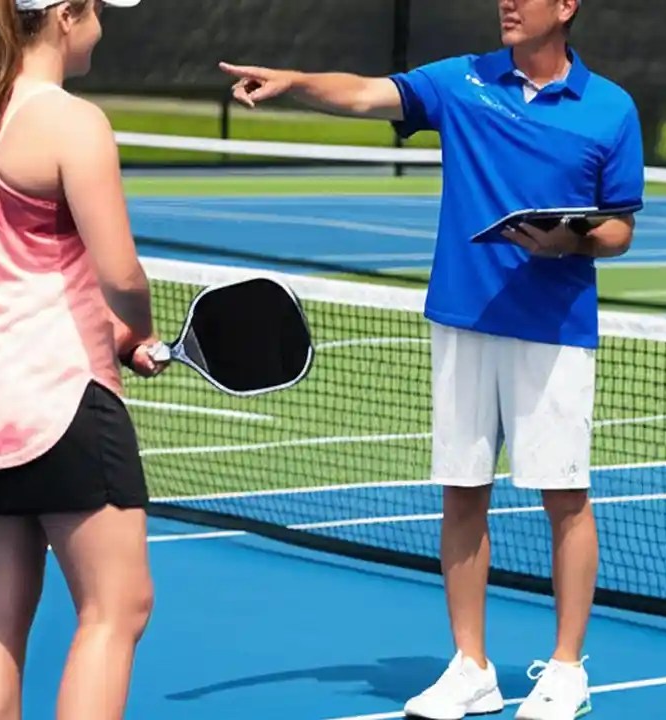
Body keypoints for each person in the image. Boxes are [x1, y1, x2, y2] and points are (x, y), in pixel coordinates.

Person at [220, 1, 642, 718]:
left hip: (555, 330)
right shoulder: (462, 82)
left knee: (564, 497)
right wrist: (292, 80)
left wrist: (572, 241)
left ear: (566, 5)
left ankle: (567, 668)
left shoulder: (611, 109)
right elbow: (361, 92)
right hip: (461, 319)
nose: (507, 3)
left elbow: (620, 226)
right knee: (461, 491)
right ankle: (471, 666)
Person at [0, 1, 164, 718]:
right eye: (97, 10)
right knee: (115, 608)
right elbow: (121, 275)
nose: (102, 24)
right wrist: (135, 332)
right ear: (67, 16)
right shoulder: (72, 121)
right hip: (61, 398)